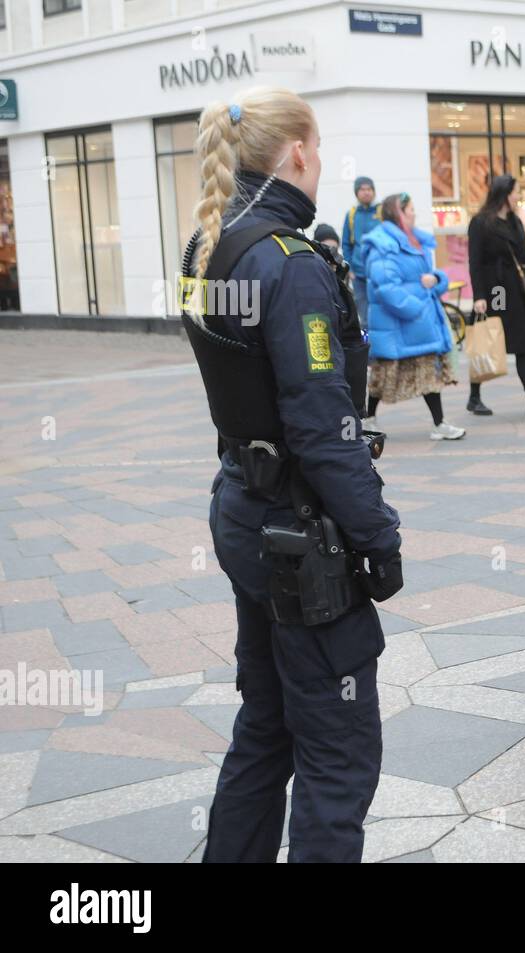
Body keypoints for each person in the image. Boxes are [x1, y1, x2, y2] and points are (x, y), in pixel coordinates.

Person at [180, 87, 403, 863]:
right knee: (338, 756)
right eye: (321, 146)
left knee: (266, 725)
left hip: (244, 511)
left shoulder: (206, 247)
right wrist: (379, 535)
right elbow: (322, 428)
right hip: (304, 539)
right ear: (300, 152)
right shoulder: (288, 264)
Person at [360, 192, 465, 441]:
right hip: (398, 325)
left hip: (416, 325)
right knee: (383, 375)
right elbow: (386, 287)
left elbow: (427, 278)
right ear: (398, 215)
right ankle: (368, 419)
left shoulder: (414, 241)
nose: (415, 214)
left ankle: (439, 423)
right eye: (410, 210)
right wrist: (417, 308)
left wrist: (436, 280)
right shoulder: (383, 245)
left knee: (428, 373)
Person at [466, 174, 525, 419]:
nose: (518, 197)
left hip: (517, 292)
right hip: (496, 292)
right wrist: (479, 295)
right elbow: (475, 262)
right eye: (516, 192)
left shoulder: (515, 222)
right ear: (505, 194)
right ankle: (474, 396)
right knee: (489, 340)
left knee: (522, 345)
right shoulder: (481, 223)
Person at [341, 176, 379, 326]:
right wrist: (350, 268)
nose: (366, 192)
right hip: (359, 275)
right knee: (364, 317)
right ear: (357, 193)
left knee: (381, 313)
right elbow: (346, 244)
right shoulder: (351, 215)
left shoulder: (382, 212)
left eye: (369, 189)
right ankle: (368, 347)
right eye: (362, 189)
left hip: (379, 272)